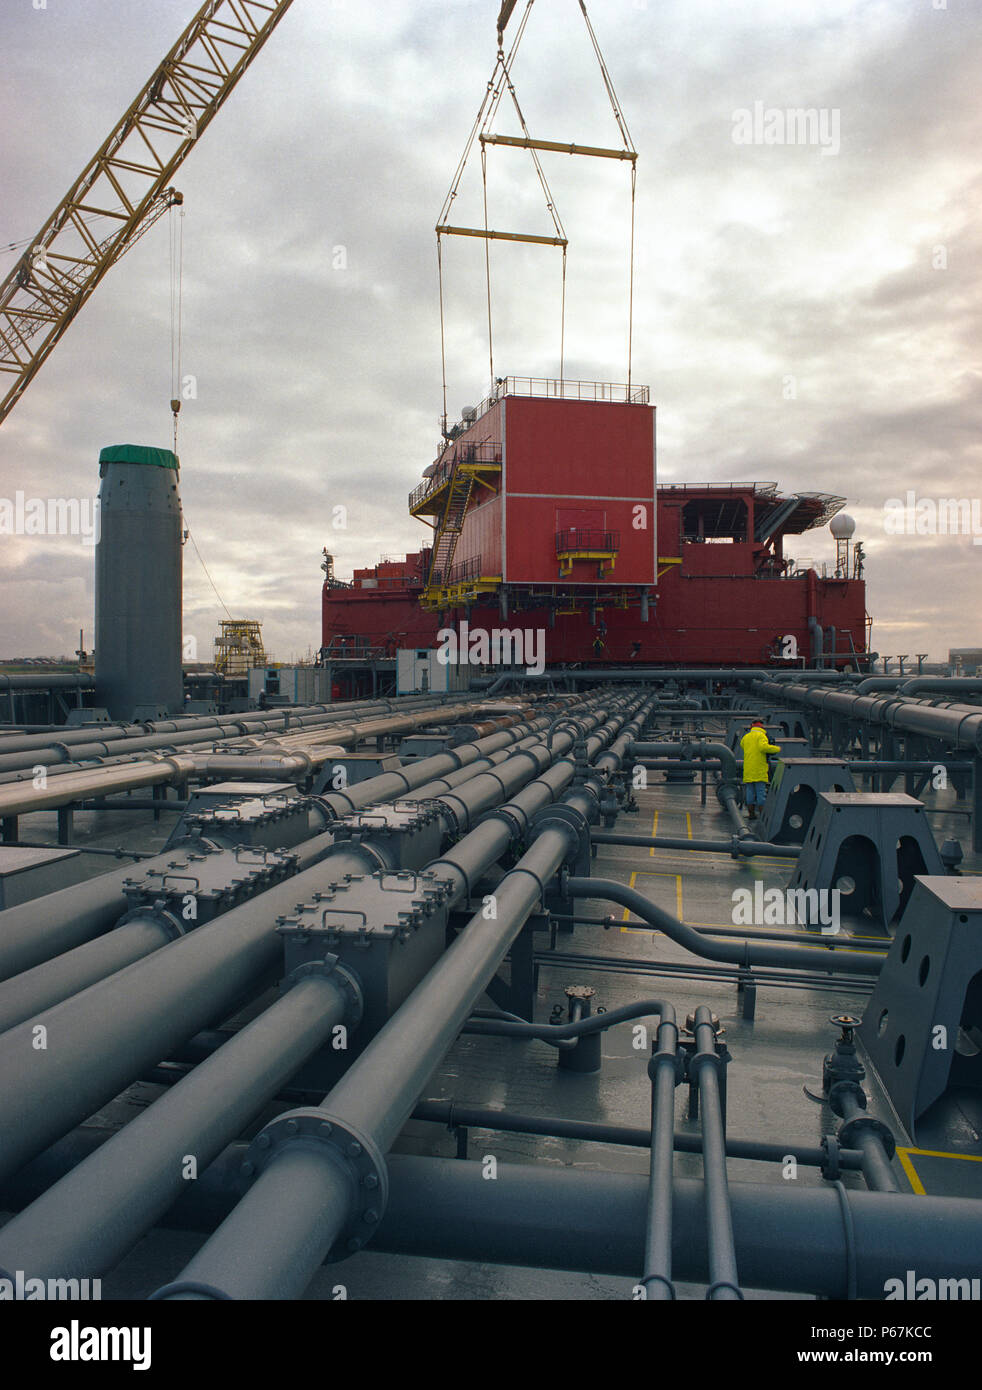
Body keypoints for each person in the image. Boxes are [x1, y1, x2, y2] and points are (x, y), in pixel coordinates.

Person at [740, 718, 781, 820]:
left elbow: (742, 745)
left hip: (748, 768)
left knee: (750, 792)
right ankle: (763, 816)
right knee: (760, 793)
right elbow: (763, 747)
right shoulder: (761, 735)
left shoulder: (746, 737)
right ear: (762, 727)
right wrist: (777, 749)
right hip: (759, 769)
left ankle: (751, 814)